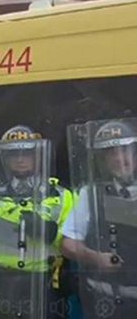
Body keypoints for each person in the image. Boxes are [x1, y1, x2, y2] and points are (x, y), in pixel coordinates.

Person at [0, 125, 73, 319]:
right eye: (13, 154)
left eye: (26, 153)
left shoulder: (62, 196)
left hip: (40, 286)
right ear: (5, 159)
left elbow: (74, 240)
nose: (20, 159)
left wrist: (50, 233)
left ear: (37, 156)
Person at [62, 120, 137, 318]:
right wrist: (95, 258)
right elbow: (68, 244)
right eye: (112, 153)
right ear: (103, 160)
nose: (120, 159)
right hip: (105, 305)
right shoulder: (90, 194)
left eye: (125, 151)